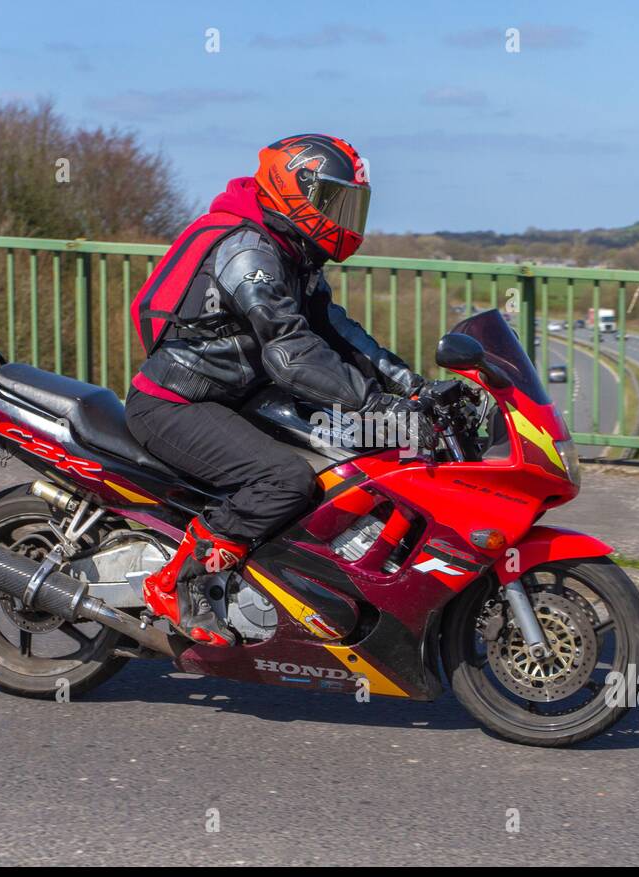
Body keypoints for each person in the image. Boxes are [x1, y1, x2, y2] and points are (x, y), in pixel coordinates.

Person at [124, 133, 428, 647]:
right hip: (178, 403)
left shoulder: (294, 252)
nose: (347, 216)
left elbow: (336, 332)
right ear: (297, 190)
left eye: (352, 205)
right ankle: (184, 584)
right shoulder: (249, 252)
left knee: (357, 447)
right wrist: (374, 404)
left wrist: (413, 386)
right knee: (286, 480)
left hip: (234, 395)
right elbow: (291, 352)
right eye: (336, 202)